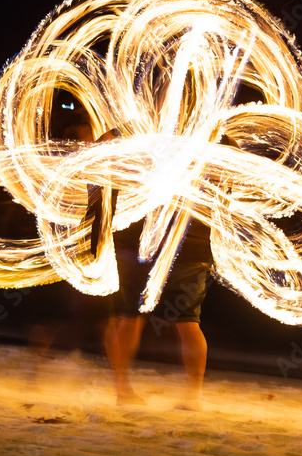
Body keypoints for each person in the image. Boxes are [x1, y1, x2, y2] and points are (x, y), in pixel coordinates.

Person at [88, 125, 231, 409]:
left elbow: (98, 155)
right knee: (181, 320)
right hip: (171, 244)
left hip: (163, 243)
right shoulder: (215, 134)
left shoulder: (140, 128)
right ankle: (190, 396)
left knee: (138, 318)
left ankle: (125, 391)